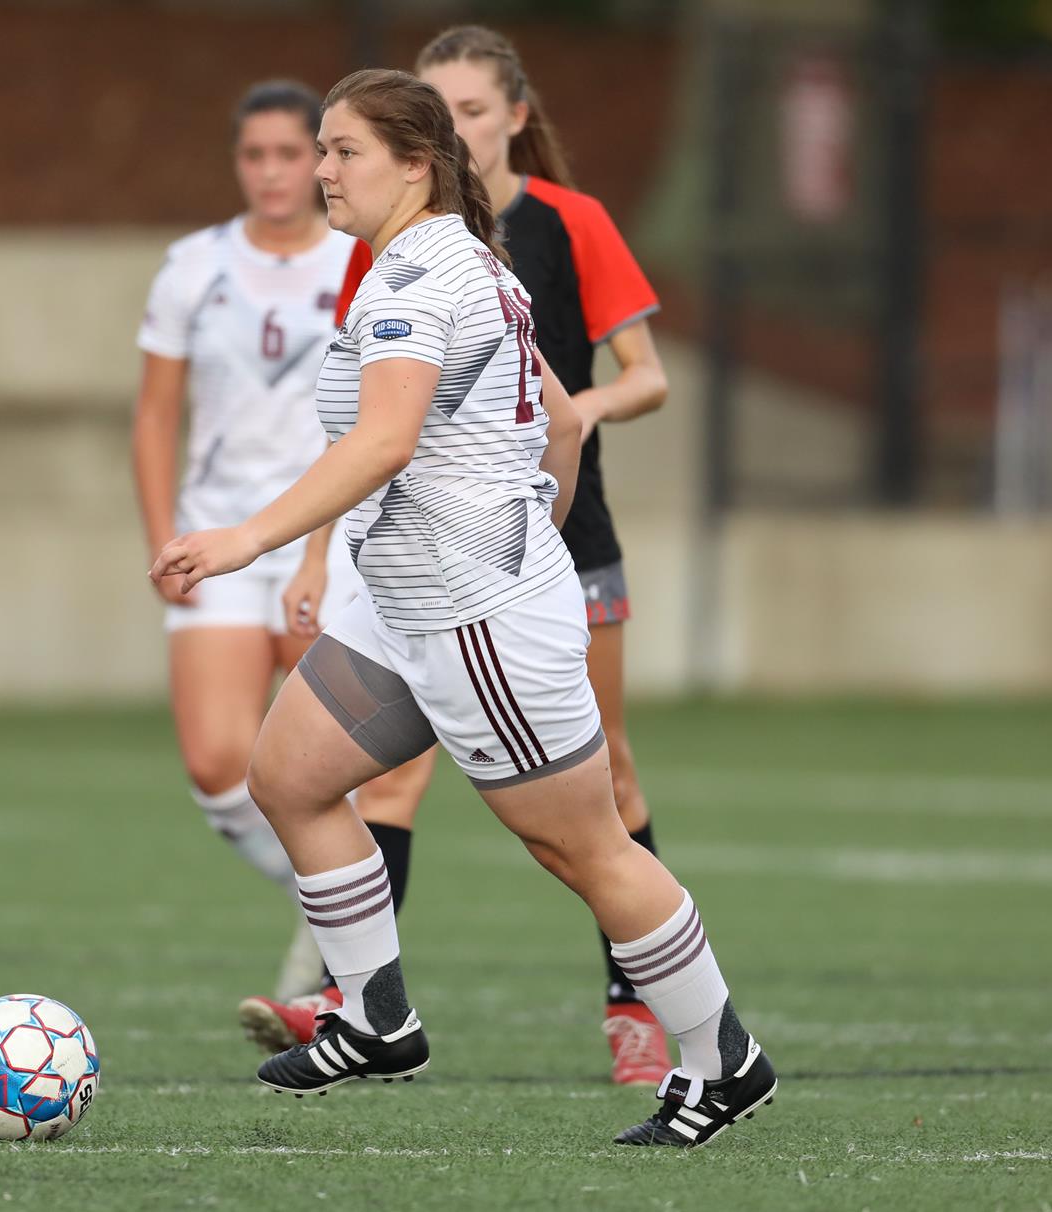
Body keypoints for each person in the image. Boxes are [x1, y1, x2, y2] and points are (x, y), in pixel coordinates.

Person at [151, 67, 774, 1150]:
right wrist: (530, 530)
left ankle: (724, 1062)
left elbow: (384, 442)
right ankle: (375, 1018)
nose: (319, 169)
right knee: (288, 776)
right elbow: (560, 428)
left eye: (341, 150)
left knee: (584, 850)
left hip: (475, 619)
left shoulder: (414, 280)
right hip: (410, 607)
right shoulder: (455, 260)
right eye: (320, 149)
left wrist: (245, 541)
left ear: (414, 166)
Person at [242, 24, 678, 1087]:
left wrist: (559, 446)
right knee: (360, 780)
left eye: (473, 110)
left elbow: (636, 380)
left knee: (595, 803)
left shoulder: (560, 226)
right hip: (424, 564)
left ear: (508, 121)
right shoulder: (389, 248)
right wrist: (314, 559)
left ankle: (647, 1013)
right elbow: (366, 428)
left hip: (542, 540)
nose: (458, 127)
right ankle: (361, 1006)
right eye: (442, 109)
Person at [131, 80, 360, 1002]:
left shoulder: (359, 260)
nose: (272, 172)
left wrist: (321, 552)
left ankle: (346, 961)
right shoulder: (194, 266)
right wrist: (162, 538)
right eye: (254, 155)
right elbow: (155, 416)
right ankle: (329, 900)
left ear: (321, 161)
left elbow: (371, 424)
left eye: (291, 154)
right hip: (218, 538)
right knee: (218, 764)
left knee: (334, 762)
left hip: (326, 542)